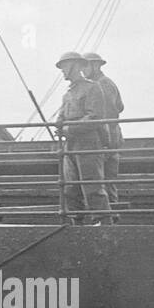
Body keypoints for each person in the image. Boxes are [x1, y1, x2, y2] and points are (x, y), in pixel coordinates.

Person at [54, 50, 110, 222]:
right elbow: (62, 115)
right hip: (70, 146)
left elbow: (94, 117)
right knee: (70, 188)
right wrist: (59, 123)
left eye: (64, 67)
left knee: (92, 186)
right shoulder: (68, 94)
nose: (62, 71)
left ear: (74, 66)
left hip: (88, 144)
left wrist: (69, 128)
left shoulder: (92, 88)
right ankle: (76, 223)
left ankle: (103, 224)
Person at [81, 55, 123, 221]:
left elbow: (108, 113)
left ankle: (110, 222)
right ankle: (112, 220)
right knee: (107, 182)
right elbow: (120, 106)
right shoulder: (106, 83)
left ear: (95, 66)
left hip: (106, 139)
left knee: (103, 182)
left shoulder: (101, 85)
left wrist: (106, 142)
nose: (82, 71)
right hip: (110, 138)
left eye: (85, 67)